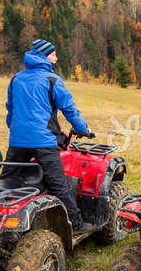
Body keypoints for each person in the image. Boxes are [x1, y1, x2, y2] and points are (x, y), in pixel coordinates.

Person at [5, 38, 95, 232]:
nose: (56, 57)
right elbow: (69, 109)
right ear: (45, 56)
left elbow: (10, 111)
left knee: (7, 181)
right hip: (43, 140)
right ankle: (76, 225)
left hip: (17, 140)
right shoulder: (52, 80)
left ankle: (1, 222)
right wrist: (83, 129)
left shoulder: (16, 79)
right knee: (59, 185)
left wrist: (16, 129)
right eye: (53, 54)